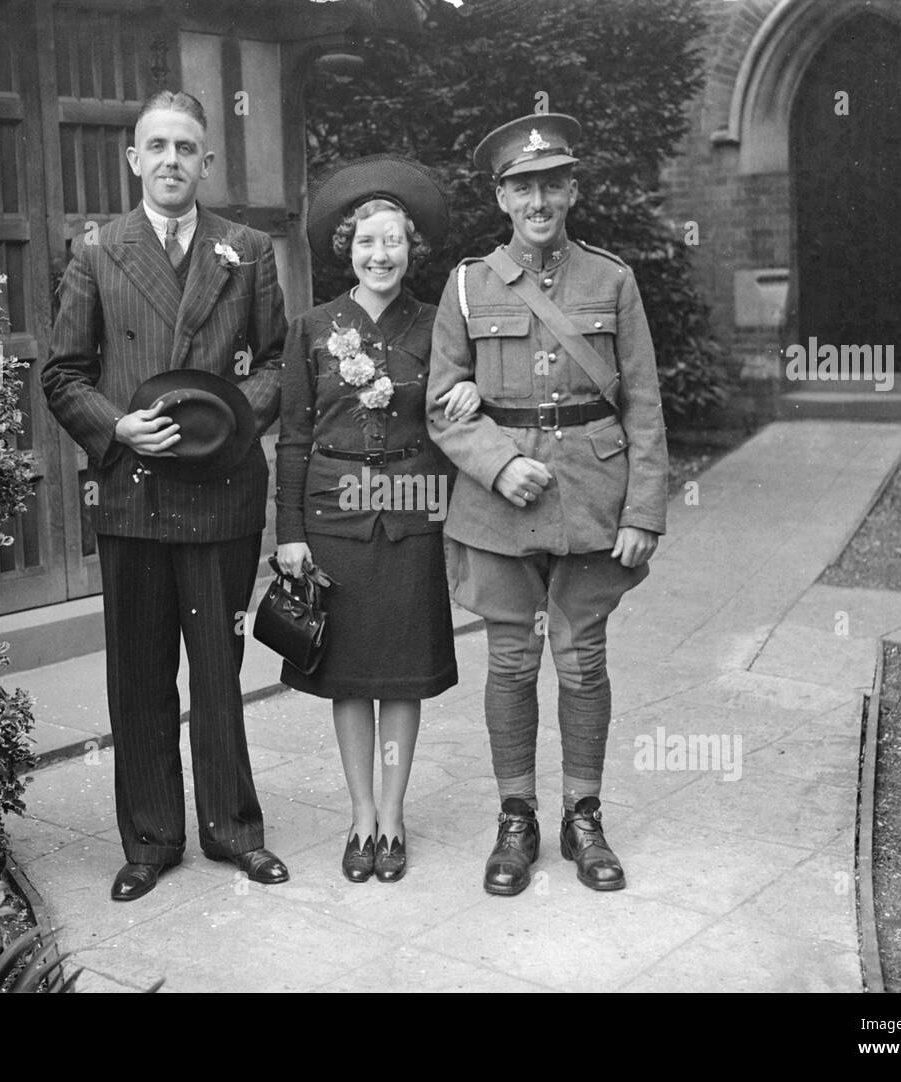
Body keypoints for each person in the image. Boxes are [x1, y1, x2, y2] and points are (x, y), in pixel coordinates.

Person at [42, 89, 291, 901]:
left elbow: (281, 364)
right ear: (134, 159)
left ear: (206, 161)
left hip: (219, 490)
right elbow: (62, 373)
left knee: (220, 668)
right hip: (135, 493)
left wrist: (221, 424)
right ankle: (150, 840)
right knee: (141, 673)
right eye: (158, 147)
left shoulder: (247, 249)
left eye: (187, 148)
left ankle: (234, 830)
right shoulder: (98, 251)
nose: (172, 161)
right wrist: (117, 430)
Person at [426, 113, 668, 896]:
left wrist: (644, 512)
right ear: (501, 197)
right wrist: (498, 467)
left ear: (571, 190)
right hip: (500, 507)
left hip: (594, 496)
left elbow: (645, 405)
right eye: (521, 186)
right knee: (510, 660)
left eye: (550, 184)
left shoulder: (613, 280)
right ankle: (516, 819)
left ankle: (584, 817)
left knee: (583, 659)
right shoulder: (467, 284)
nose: (538, 200)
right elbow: (439, 404)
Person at [274, 156, 476, 883]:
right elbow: (294, 437)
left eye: (392, 240)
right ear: (347, 250)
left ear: (410, 247)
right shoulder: (312, 329)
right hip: (336, 525)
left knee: (404, 678)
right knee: (350, 677)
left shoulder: (439, 324)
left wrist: (468, 402)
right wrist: (289, 534)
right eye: (365, 241)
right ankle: (359, 815)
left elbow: (458, 412)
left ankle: (393, 817)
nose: (379, 254)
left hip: (414, 521)